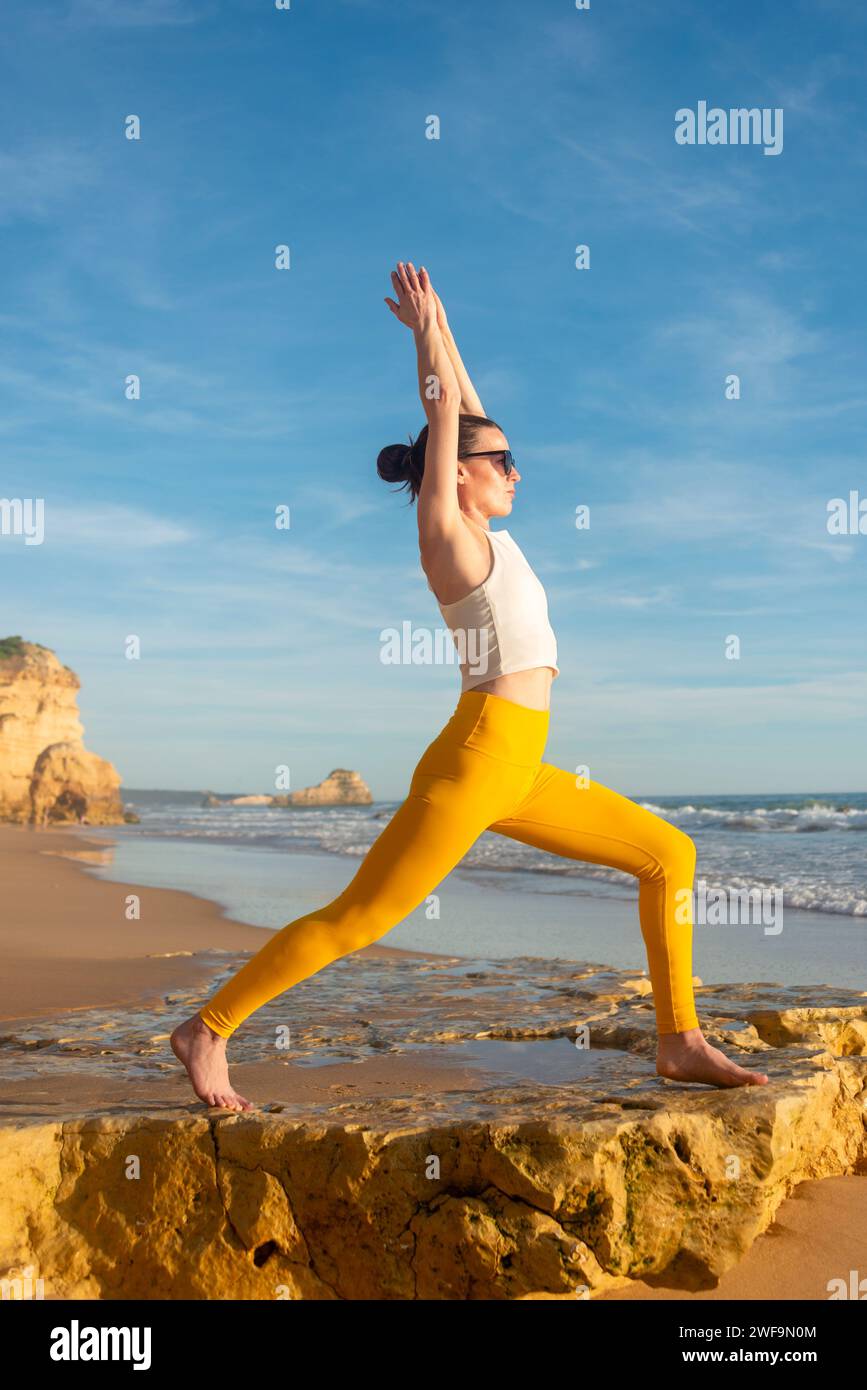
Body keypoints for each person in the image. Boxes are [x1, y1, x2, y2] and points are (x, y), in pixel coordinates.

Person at [171, 261, 769, 1107]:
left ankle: (679, 1041)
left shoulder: (492, 526)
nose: (516, 470)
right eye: (502, 462)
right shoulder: (446, 535)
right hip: (475, 759)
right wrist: (422, 344)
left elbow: (465, 407)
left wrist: (443, 328)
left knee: (669, 854)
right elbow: (446, 413)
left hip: (520, 767)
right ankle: (208, 1030)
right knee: (359, 920)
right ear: (457, 473)